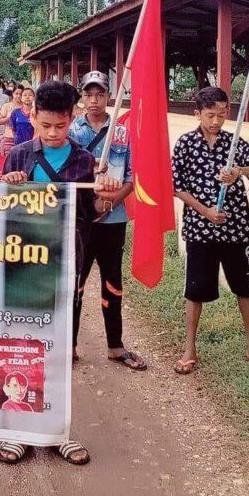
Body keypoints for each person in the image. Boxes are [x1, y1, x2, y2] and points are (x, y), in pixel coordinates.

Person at [0, 79, 123, 467]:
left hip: (68, 266)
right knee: (19, 345)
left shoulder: (85, 161)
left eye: (61, 126)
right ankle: (18, 432)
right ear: (32, 117)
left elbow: (95, 212)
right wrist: (7, 185)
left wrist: (106, 192)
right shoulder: (18, 156)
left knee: (58, 348)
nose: (52, 134)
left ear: (72, 119)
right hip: (22, 267)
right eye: (45, 125)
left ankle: (58, 431)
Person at [172, 86, 249, 376]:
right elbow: (176, 186)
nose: (216, 121)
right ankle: (189, 349)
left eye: (221, 114)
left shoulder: (234, 142)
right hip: (201, 230)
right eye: (210, 115)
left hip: (236, 229)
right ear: (197, 114)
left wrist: (240, 172)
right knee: (195, 291)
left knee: (245, 288)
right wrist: (205, 211)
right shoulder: (186, 143)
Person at [66, 71, 145, 371]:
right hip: (83, 220)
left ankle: (115, 345)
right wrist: (93, 203)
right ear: (83, 97)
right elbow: (69, 175)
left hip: (114, 220)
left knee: (113, 283)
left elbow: (131, 177)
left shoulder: (122, 133)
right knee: (76, 283)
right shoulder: (73, 131)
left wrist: (110, 200)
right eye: (89, 94)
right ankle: (69, 346)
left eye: (100, 94)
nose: (94, 100)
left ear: (108, 96)